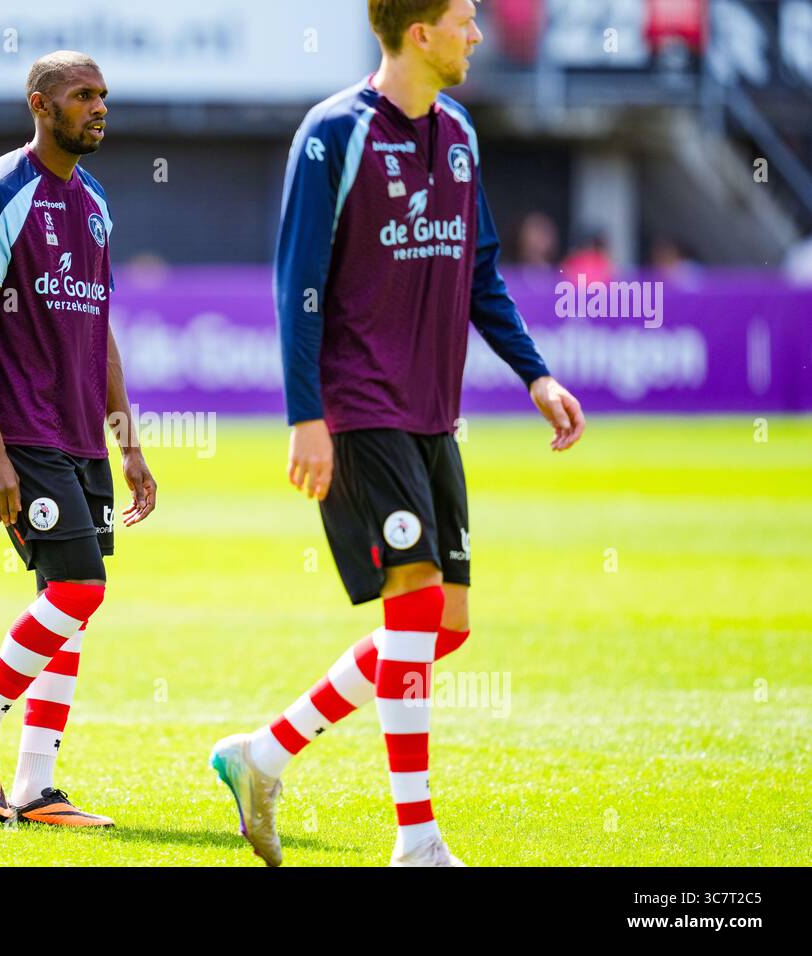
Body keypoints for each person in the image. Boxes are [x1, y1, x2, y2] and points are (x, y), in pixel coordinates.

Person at [210, 0, 585, 867]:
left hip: (430, 413)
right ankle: (416, 841)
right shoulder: (330, 135)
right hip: (359, 405)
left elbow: (478, 270)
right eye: (465, 19)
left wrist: (536, 372)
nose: (479, 35)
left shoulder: (458, 133)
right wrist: (306, 414)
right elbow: (297, 285)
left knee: (442, 627)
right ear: (420, 32)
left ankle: (262, 754)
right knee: (413, 604)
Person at [0, 51, 157, 828]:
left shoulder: (96, 201)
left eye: (103, 96)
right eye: (81, 95)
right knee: (78, 589)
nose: (98, 107)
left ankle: (35, 786)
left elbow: (100, 332)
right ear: (40, 104)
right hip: (24, 432)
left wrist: (126, 441)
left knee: (69, 605)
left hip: (82, 438)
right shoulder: (1, 191)